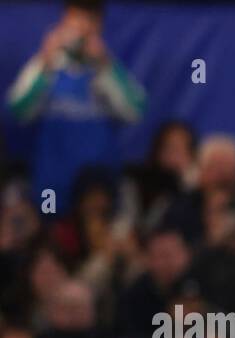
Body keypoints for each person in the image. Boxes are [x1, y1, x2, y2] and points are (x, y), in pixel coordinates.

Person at [5, 0, 147, 206]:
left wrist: (104, 64)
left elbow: (136, 110)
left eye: (88, 23)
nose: (81, 31)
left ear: (99, 26)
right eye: (74, 22)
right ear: (63, 22)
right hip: (52, 186)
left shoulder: (108, 67)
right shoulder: (45, 65)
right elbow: (18, 111)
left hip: (98, 190)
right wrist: (45, 61)